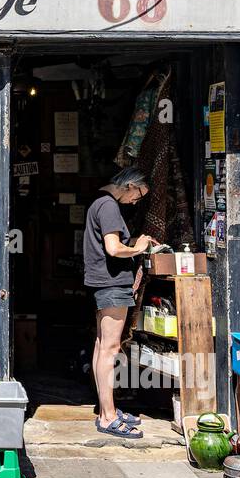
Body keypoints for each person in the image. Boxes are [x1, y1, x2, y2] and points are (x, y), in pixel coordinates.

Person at [84, 167, 155, 439]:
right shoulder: (110, 206)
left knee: (102, 346)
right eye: (138, 194)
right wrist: (138, 248)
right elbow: (113, 248)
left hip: (103, 284)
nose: (136, 201)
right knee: (110, 349)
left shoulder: (99, 202)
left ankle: (105, 409)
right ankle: (108, 417)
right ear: (129, 185)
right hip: (112, 284)